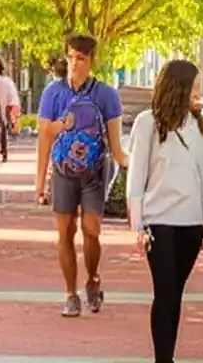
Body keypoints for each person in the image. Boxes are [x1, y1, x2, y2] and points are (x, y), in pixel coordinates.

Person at [128, 60, 203, 363]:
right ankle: (162, 359)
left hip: (191, 222)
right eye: (195, 85)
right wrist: (137, 225)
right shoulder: (148, 123)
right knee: (164, 292)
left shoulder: (198, 127)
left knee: (175, 294)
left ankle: (169, 355)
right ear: (178, 86)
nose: (199, 91)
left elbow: (202, 177)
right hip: (158, 222)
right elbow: (136, 177)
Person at [38, 34, 129, 317]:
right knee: (65, 231)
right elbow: (44, 138)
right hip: (63, 171)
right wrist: (39, 184)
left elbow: (116, 147)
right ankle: (70, 293)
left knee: (91, 229)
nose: (75, 64)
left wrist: (133, 169)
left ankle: (93, 279)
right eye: (71, 57)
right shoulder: (53, 93)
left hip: (94, 172)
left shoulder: (106, 95)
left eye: (81, 58)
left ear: (92, 61)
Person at [36, 55, 69, 206]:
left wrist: (39, 187)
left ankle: (48, 190)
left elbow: (45, 133)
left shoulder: (52, 91)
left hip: (61, 153)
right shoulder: (93, 90)